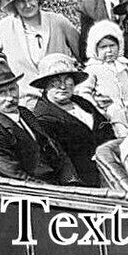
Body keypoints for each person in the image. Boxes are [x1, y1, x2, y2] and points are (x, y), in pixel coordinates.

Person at [0, 0, 80, 103]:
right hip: (28, 100)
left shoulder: (58, 22)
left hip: (62, 96)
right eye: (21, 1)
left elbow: (83, 53)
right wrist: (1, 79)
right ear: (14, 5)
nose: (28, 5)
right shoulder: (5, 27)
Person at [0, 62, 77, 184]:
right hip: (38, 191)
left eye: (12, 89)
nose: (10, 97)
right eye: (2, 93)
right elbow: (17, 176)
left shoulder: (24, 113)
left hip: (60, 181)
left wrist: (71, 180)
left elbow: (55, 149)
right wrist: (59, 191)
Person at [31, 53, 114, 186]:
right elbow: (58, 160)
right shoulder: (43, 119)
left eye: (67, 80)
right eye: (55, 82)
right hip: (82, 182)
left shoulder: (82, 103)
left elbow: (106, 130)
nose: (63, 86)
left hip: (110, 169)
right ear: (45, 85)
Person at [78, 19, 128, 137]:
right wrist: (98, 109)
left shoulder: (123, 65)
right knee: (121, 138)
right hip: (110, 115)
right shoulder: (93, 68)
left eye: (112, 45)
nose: (109, 50)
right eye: (103, 47)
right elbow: (84, 92)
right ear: (95, 49)